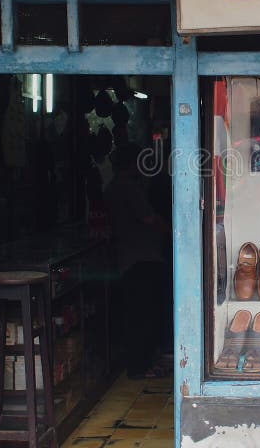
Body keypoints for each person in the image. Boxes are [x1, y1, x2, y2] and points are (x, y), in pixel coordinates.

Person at [105, 142, 171, 379]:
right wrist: (175, 231)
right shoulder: (127, 188)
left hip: (131, 258)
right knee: (143, 315)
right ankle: (140, 367)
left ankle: (141, 364)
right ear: (134, 163)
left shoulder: (114, 187)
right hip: (141, 259)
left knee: (138, 314)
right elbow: (149, 218)